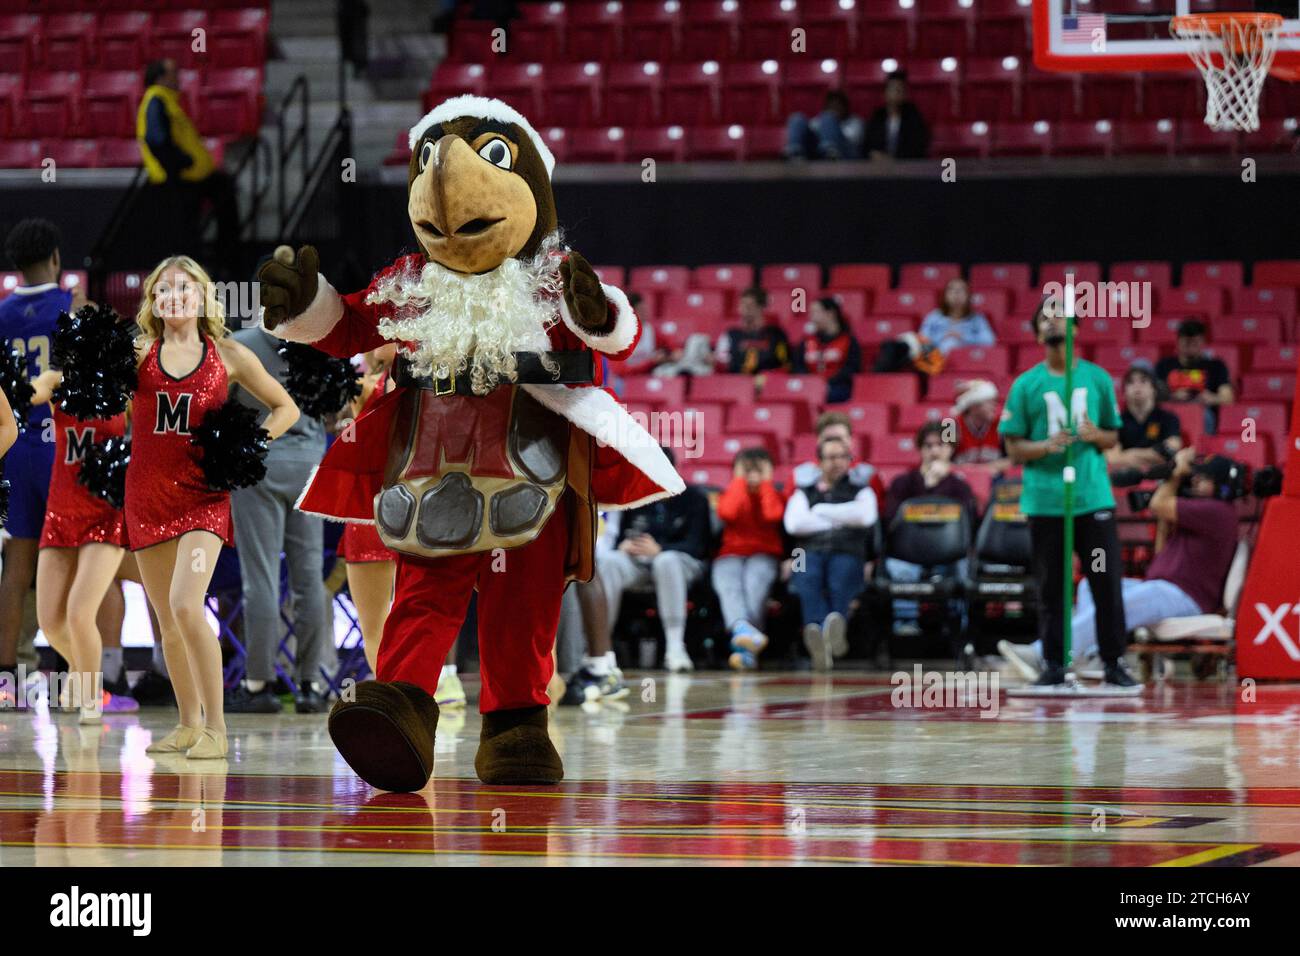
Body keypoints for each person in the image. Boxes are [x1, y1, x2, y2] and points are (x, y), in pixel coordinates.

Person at [127, 256, 299, 759]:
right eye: (163, 290)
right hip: (146, 496)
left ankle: (217, 730)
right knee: (167, 619)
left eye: (184, 287)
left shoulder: (229, 355)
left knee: (186, 604)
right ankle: (185, 724)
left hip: (204, 499)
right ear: (154, 304)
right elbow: (94, 402)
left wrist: (250, 444)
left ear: (203, 296)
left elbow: (285, 407)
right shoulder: (137, 355)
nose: (174, 296)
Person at [1001, 447, 1237, 680]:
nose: (1195, 481)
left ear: (1223, 486)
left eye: (1204, 478)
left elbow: (1158, 504)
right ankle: (1093, 656)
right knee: (1089, 587)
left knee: (1116, 602)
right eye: (1196, 476)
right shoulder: (1199, 510)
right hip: (1165, 588)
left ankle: (1041, 653)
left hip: (1185, 596)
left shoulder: (1218, 511)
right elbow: (1161, 545)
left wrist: (1174, 475)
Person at [998, 296, 1138, 687]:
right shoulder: (1026, 384)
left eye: (1059, 315)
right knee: (1052, 586)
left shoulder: (1097, 379)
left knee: (1104, 580)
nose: (1052, 321)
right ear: (1037, 332)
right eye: (1044, 317)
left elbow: (1113, 436)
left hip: (1092, 499)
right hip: (1045, 500)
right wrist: (1046, 446)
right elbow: (1012, 447)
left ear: (1075, 328)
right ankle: (1055, 665)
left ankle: (1114, 663)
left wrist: (1098, 436)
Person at [225, 320, 334, 715]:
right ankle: (311, 684)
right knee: (309, 579)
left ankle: (259, 685)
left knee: (262, 579)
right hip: (309, 465)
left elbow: (222, 406)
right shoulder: (320, 341)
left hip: (259, 463)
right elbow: (335, 405)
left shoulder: (238, 344)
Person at [28, 362, 138, 720]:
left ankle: (92, 703)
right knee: (51, 622)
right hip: (60, 512)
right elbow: (29, 393)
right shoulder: (56, 381)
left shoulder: (124, 386)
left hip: (105, 513)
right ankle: (84, 670)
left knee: (79, 613)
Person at [0, 219, 77, 707]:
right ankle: (74, 676)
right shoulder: (72, 307)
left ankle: (4, 680)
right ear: (54, 257)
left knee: (16, 564)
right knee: (70, 559)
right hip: (60, 445)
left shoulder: (2, 314)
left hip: (12, 445)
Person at [584, 448, 711, 673]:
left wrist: (660, 549)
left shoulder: (695, 498)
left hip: (683, 564)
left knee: (666, 561)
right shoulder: (637, 497)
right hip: (640, 564)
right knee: (610, 562)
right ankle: (601, 649)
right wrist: (623, 546)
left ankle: (675, 647)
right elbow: (621, 535)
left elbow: (698, 546)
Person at [137, 59, 241, 276]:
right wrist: (181, 164)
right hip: (178, 180)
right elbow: (156, 140)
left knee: (220, 197)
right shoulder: (156, 101)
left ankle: (223, 261)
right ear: (160, 77)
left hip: (192, 178)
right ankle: (195, 275)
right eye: (173, 73)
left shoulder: (168, 102)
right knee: (184, 233)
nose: (178, 77)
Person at [784, 434, 878, 671]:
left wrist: (820, 510)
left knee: (840, 578)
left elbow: (865, 516)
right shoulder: (803, 491)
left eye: (842, 456)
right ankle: (823, 633)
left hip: (847, 548)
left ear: (850, 460)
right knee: (806, 577)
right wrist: (842, 517)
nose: (837, 462)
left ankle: (827, 631)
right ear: (819, 462)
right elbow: (794, 524)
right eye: (831, 457)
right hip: (805, 551)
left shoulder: (861, 490)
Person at [881, 421, 977, 636]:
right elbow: (891, 522)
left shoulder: (959, 487)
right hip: (908, 555)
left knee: (963, 566)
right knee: (899, 567)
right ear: (920, 449)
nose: (934, 450)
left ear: (951, 449)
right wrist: (928, 484)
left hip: (949, 557)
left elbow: (968, 526)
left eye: (941, 445)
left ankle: (957, 627)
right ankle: (905, 625)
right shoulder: (903, 483)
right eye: (928, 445)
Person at [712, 448, 787, 670]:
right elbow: (728, 512)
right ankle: (747, 640)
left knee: (754, 586)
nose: (752, 474)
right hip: (730, 555)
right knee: (728, 585)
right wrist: (739, 483)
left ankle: (744, 647)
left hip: (764, 554)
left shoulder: (774, 493)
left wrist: (764, 485)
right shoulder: (732, 491)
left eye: (759, 469)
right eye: (746, 469)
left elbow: (773, 514)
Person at [1154, 319, 1233, 434]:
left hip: (1200, 411)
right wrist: (1173, 396)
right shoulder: (1164, 365)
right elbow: (1153, 395)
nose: (1190, 347)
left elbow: (1228, 398)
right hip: (1171, 410)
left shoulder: (1216, 366)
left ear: (1203, 342)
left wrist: (1210, 398)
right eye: (1186, 343)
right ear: (1178, 342)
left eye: (1195, 343)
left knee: (1204, 416)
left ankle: (1204, 447)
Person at [793, 411, 888, 502]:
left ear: (851, 441)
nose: (835, 443)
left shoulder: (867, 474)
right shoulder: (800, 474)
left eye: (839, 438)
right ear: (818, 441)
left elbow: (878, 512)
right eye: (829, 439)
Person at [1108, 361, 1182, 473]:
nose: (1137, 386)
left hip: (1160, 476)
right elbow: (1114, 459)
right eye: (1131, 382)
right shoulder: (1117, 421)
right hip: (1126, 477)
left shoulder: (1168, 418)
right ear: (1124, 391)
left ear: (1154, 388)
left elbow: (1172, 449)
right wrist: (1153, 455)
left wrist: (1130, 454)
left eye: (1143, 381)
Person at [793, 297, 861, 404]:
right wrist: (811, 383)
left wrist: (826, 383)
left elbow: (851, 369)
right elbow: (798, 366)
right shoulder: (806, 341)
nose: (811, 318)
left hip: (837, 388)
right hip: (809, 387)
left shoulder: (848, 341)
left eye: (816, 312)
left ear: (831, 313)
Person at [715, 288, 790, 375]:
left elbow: (784, 364)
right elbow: (723, 363)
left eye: (749, 306)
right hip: (736, 383)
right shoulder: (730, 335)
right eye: (741, 305)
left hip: (768, 383)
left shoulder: (776, 335)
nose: (744, 310)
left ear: (762, 307)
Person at [919, 278, 996, 357]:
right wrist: (943, 336)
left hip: (966, 358)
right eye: (951, 290)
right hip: (936, 361)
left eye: (961, 290)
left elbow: (989, 341)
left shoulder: (977, 319)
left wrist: (963, 337)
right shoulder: (934, 317)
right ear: (945, 295)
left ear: (969, 296)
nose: (956, 294)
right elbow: (922, 341)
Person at [864, 71, 931, 160]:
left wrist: (893, 159)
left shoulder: (914, 117)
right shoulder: (877, 117)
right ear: (885, 93)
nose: (897, 93)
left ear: (905, 94)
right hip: (879, 169)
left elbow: (918, 148)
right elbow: (867, 145)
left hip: (907, 168)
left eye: (900, 90)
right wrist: (874, 154)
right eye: (893, 89)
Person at [785, 89, 865, 160]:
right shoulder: (821, 120)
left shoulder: (855, 121)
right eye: (832, 105)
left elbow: (853, 141)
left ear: (845, 107)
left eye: (838, 105)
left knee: (829, 118)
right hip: (818, 152)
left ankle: (829, 152)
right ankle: (794, 153)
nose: (835, 108)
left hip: (845, 154)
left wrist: (833, 126)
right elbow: (810, 132)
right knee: (797, 118)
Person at [951, 379, 1010, 471]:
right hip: (960, 480)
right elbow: (942, 462)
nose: (994, 405)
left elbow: (1014, 459)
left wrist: (983, 469)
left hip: (995, 482)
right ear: (974, 405)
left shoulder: (1002, 424)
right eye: (989, 402)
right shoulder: (949, 425)